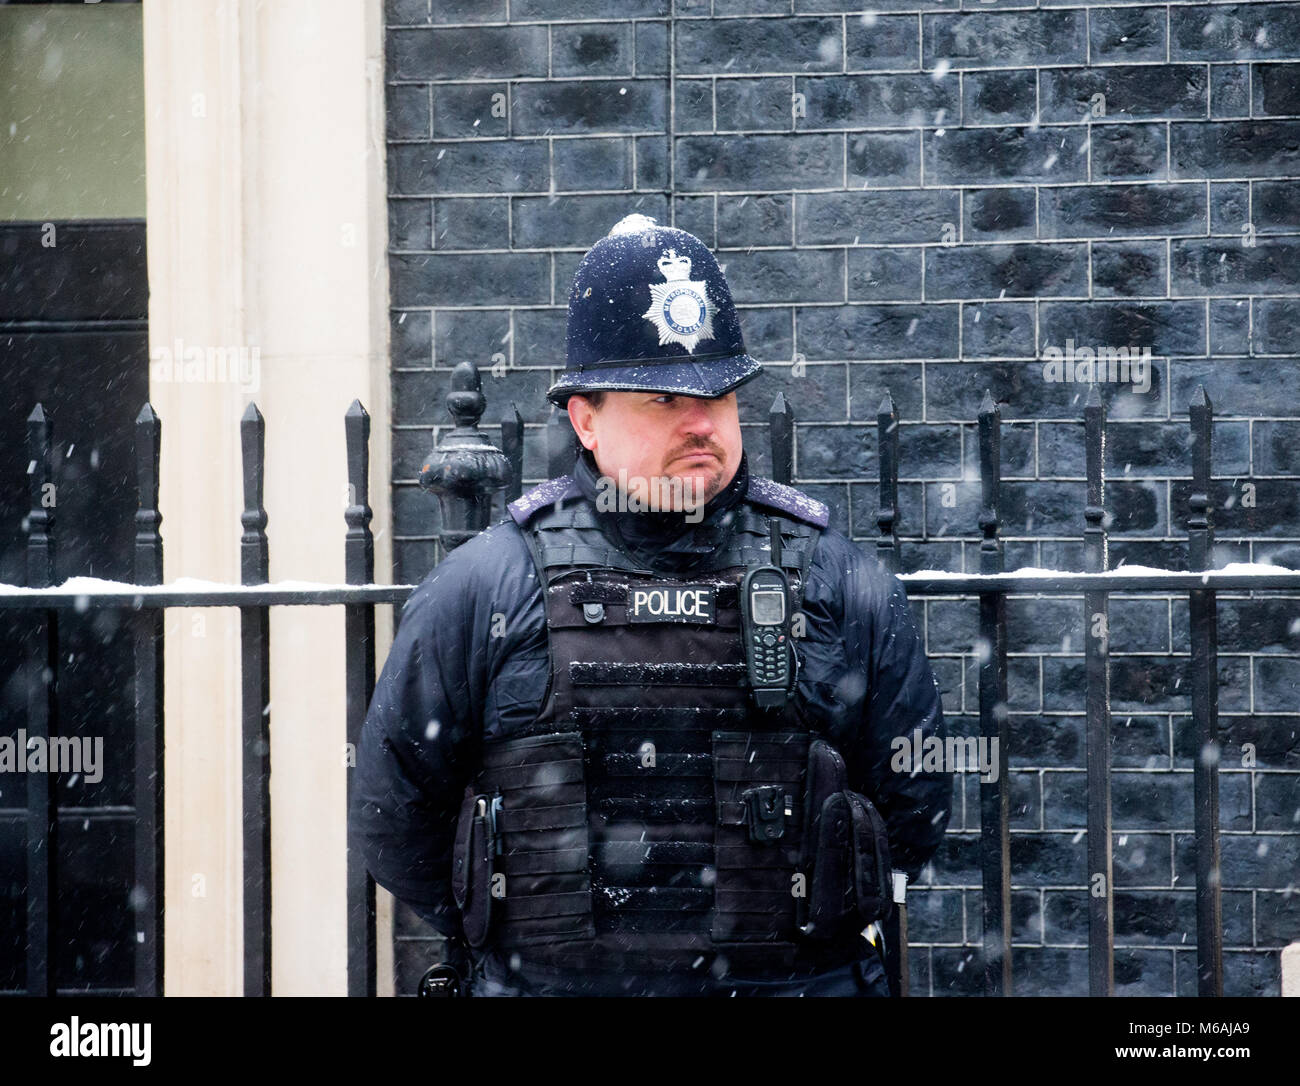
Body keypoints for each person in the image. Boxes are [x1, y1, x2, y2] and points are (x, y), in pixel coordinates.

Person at [350, 214, 951, 997]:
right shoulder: (485, 587)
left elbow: (916, 805)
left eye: (720, 395)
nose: (701, 422)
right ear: (586, 418)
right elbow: (394, 816)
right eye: (663, 400)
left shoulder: (838, 579)